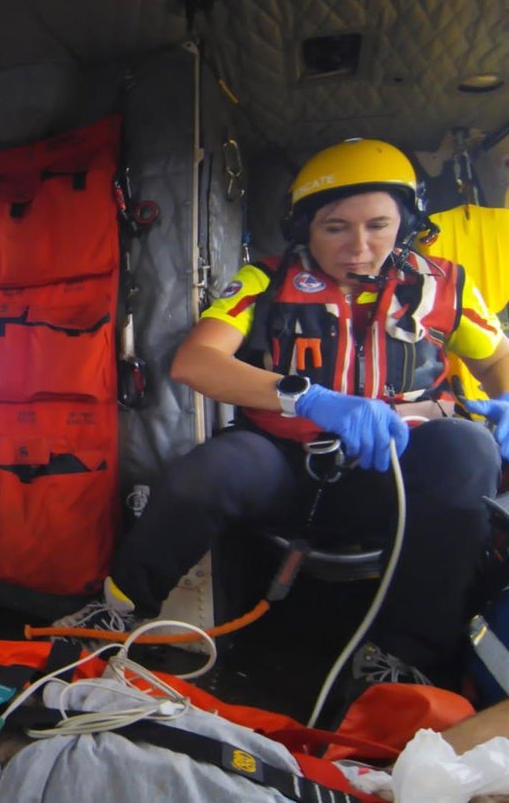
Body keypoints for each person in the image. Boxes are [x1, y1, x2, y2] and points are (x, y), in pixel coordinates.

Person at [56, 138, 509, 688]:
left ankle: (403, 660)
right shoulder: (264, 280)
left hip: (394, 475)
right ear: (303, 229)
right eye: (335, 228)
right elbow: (195, 361)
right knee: (213, 470)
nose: (359, 247)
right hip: (286, 467)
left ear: (406, 224)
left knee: (470, 448)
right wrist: (310, 398)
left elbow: (497, 360)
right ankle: (116, 612)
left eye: (379, 226)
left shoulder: (445, 286)